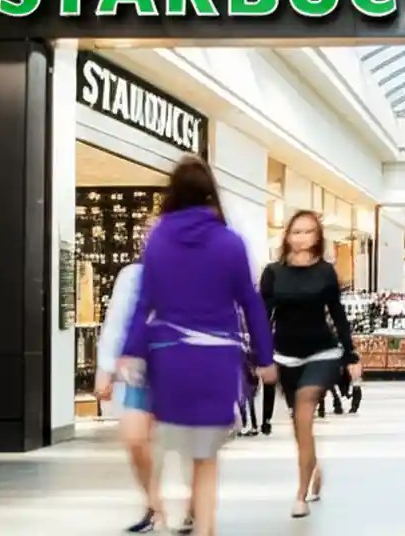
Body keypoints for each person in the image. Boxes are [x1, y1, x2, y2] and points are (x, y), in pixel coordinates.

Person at [120, 156, 276, 536]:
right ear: (210, 194)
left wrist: (132, 349)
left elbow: (145, 302)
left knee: (168, 443)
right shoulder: (230, 243)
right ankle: (205, 528)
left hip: (170, 360)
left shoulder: (158, 240)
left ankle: (161, 507)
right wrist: (265, 358)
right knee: (205, 457)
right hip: (215, 363)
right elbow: (251, 302)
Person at [260, 209, 360, 518]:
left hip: (322, 353)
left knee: (305, 408)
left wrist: (351, 355)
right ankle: (313, 467)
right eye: (297, 231)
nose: (302, 237)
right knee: (299, 425)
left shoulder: (326, 272)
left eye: (309, 231)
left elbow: (338, 315)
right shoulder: (273, 273)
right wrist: (263, 359)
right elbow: (264, 319)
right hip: (285, 355)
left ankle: (300, 494)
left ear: (318, 237)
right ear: (287, 236)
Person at [95, 261, 167, 533]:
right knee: (135, 438)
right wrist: (105, 369)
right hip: (142, 367)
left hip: (185, 366)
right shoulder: (133, 275)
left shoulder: (200, 267)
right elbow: (117, 321)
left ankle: (193, 506)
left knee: (184, 443)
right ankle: (154, 504)